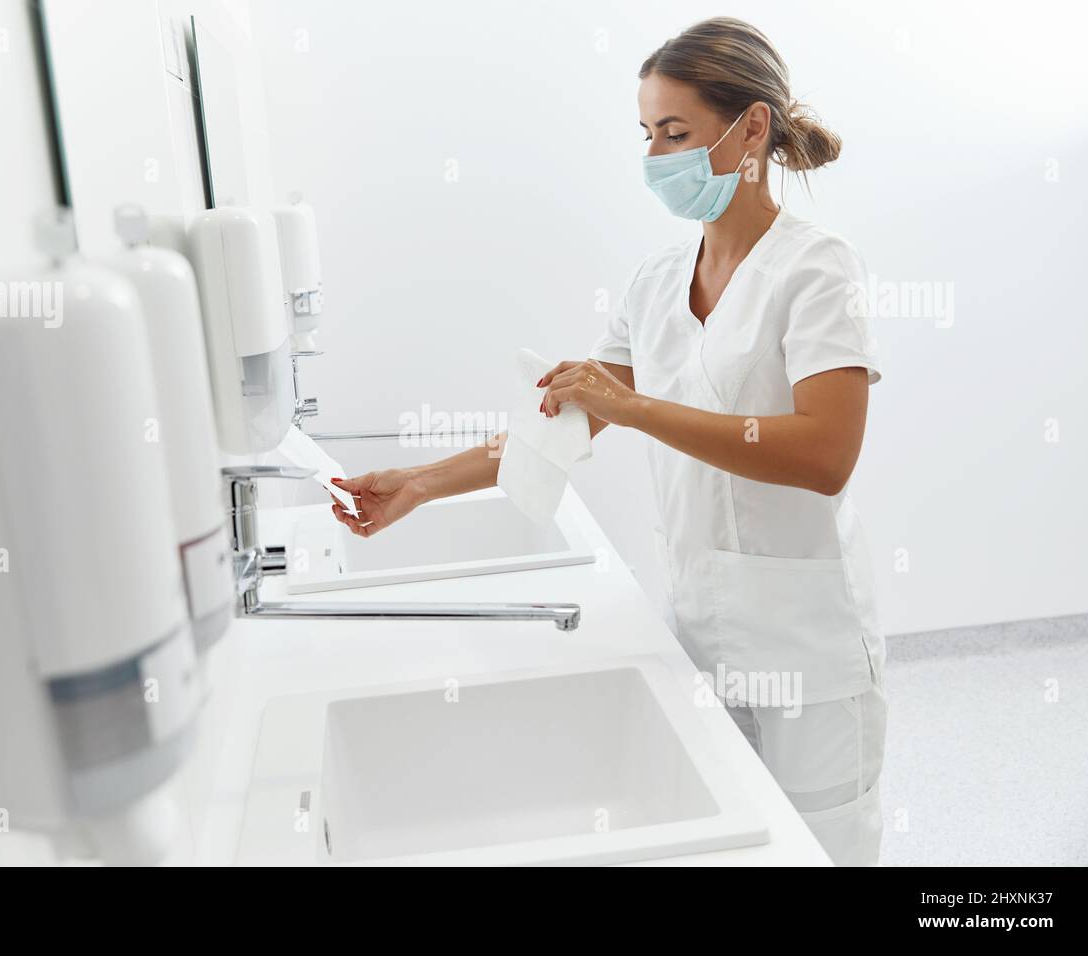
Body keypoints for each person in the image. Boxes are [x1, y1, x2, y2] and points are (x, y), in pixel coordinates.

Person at [330, 17, 886, 866]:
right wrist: (421, 481)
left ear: (751, 129)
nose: (658, 155)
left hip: (808, 642)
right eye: (648, 133)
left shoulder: (817, 268)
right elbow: (571, 411)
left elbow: (823, 455)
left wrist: (634, 408)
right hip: (704, 624)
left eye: (677, 132)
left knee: (823, 852)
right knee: (740, 848)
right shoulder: (658, 280)